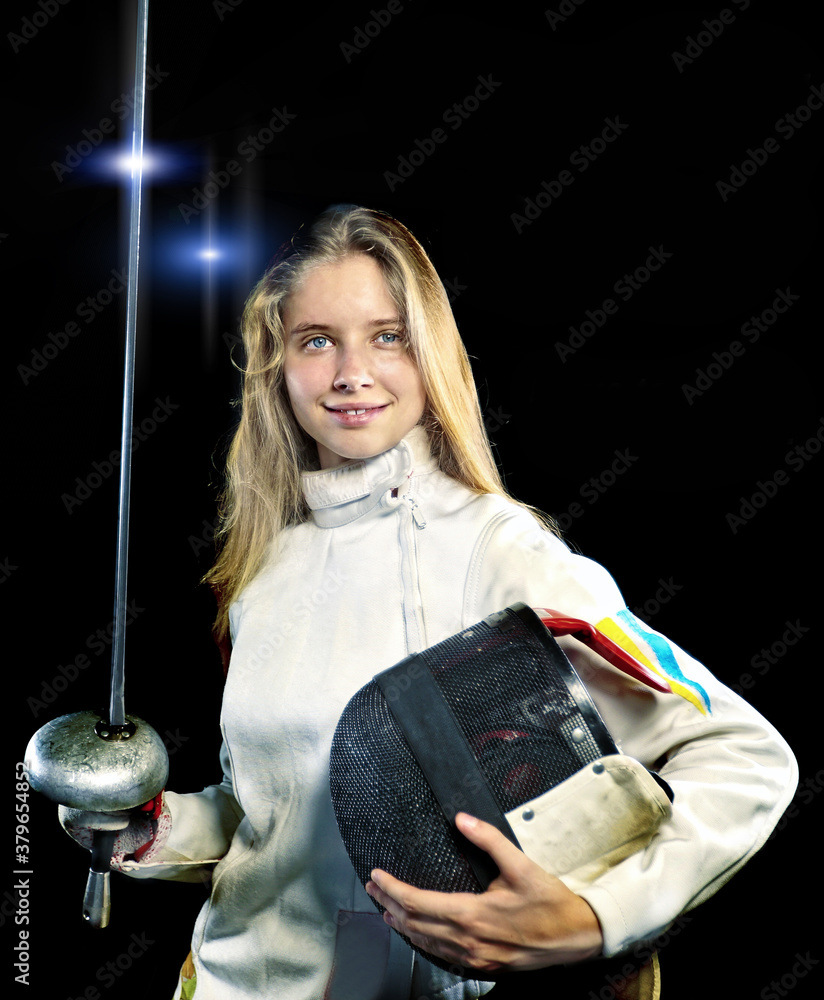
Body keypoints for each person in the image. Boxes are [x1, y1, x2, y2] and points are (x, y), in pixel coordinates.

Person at [60, 205, 797, 1000]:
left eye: (387, 336)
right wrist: (151, 829)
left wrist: (594, 916)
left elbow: (746, 757)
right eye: (317, 341)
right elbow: (275, 817)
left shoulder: (493, 547)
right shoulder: (263, 570)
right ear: (278, 363)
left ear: (430, 353)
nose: (352, 373)